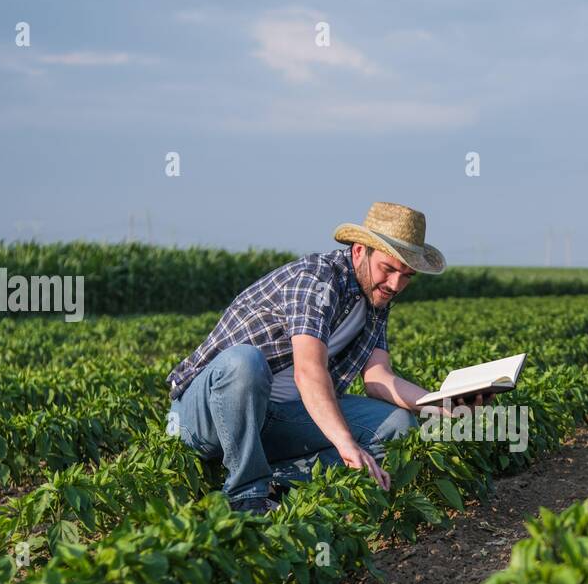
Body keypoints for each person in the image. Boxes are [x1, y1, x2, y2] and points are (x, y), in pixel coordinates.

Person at [166, 201, 449, 514]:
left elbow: (379, 378)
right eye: (389, 269)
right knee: (245, 363)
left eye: (406, 275)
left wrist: (442, 403)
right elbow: (309, 371)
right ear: (359, 252)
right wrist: (345, 442)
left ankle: (281, 485)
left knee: (397, 424)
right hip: (207, 417)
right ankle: (246, 495)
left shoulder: (375, 301)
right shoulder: (316, 281)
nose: (396, 284)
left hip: (273, 420)